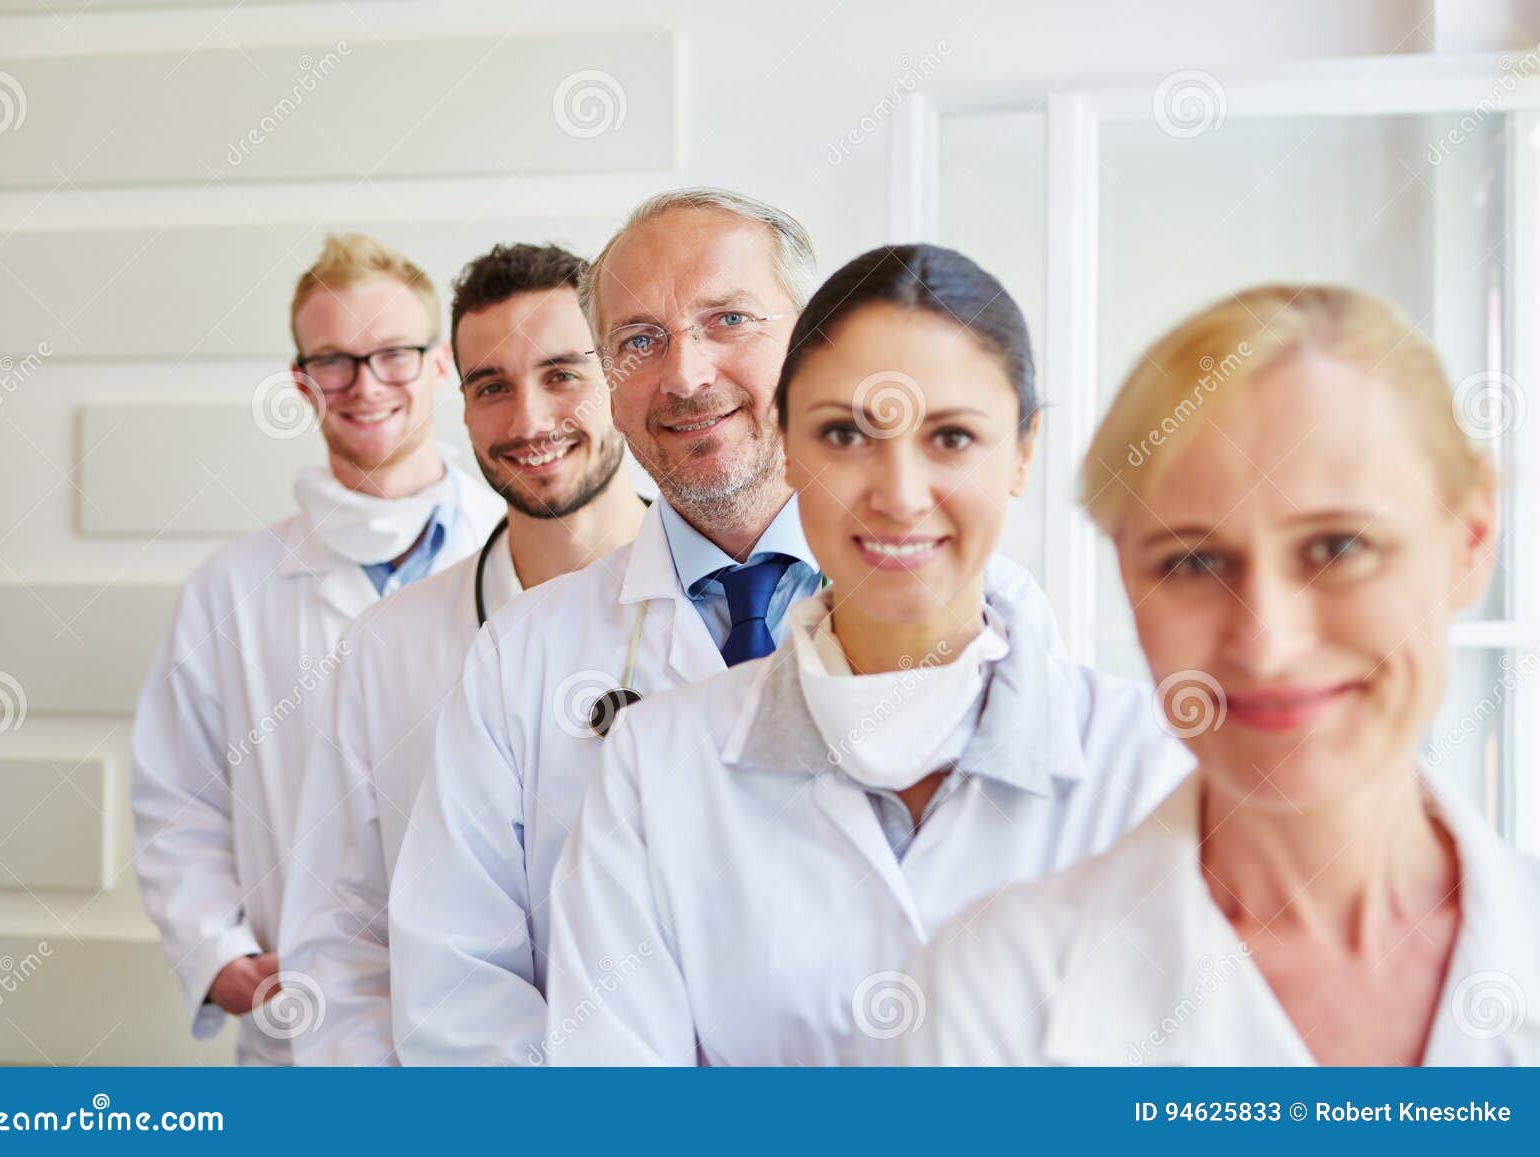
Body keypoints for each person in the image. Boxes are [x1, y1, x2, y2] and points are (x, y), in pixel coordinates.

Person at [387, 191, 1064, 1065]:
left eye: (729, 320)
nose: (685, 375)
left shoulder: (989, 613)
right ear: (610, 389)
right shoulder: (523, 658)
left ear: (812, 347)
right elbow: (455, 994)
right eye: (639, 341)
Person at [540, 243, 1192, 1066]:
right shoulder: (655, 767)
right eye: (844, 432)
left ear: (1023, 451)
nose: (899, 494)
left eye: (952, 436)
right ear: (785, 441)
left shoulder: (1150, 766)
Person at [902, 285, 1540, 1066]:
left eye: (1338, 547)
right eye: (1193, 560)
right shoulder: (995, 999)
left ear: (1471, 540)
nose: (1266, 642)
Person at [130, 234, 504, 1066]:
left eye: (394, 355)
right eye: (334, 360)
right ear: (302, 381)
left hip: (491, 1029)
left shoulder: (521, 560)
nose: (366, 384)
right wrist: (214, 951)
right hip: (301, 1035)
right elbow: (175, 795)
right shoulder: (232, 588)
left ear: (440, 365)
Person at [276, 244, 649, 1065]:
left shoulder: (735, 617)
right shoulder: (389, 645)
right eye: (491, 387)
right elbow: (337, 939)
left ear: (624, 372)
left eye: (562, 374)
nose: (527, 421)